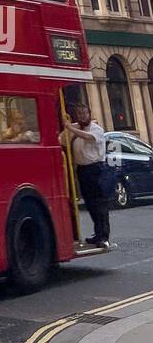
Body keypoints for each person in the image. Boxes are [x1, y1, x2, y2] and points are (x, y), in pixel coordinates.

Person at [65, 103, 111, 247]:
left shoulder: (96, 129)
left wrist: (70, 128)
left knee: (99, 204)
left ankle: (104, 237)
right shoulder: (75, 128)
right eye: (79, 113)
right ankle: (97, 234)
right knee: (90, 204)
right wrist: (68, 127)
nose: (82, 116)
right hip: (82, 170)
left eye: (85, 113)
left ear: (89, 114)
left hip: (96, 169)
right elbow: (62, 139)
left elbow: (87, 137)